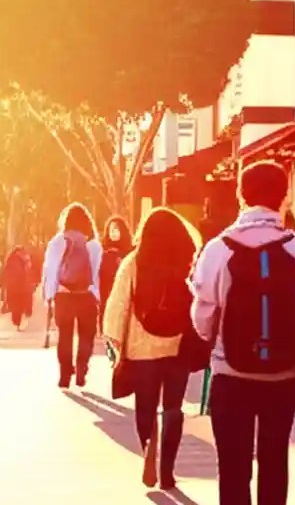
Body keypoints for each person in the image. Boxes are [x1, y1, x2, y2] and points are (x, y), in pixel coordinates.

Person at [190, 161, 295, 505]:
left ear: (241, 196)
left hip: (231, 373)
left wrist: (217, 343)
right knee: (273, 455)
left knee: (232, 465)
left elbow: (202, 310)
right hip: (283, 376)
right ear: (283, 196)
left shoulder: (218, 248)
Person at [103, 208, 210, 490]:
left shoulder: (133, 262)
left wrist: (114, 340)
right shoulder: (187, 259)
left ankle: (149, 444)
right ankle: (167, 471)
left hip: (143, 349)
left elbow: (118, 304)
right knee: (173, 407)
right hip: (178, 347)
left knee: (146, 405)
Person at [43, 204, 103, 388]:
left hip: (64, 295)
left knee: (65, 335)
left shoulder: (57, 242)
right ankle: (81, 368)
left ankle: (64, 374)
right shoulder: (93, 244)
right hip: (86, 295)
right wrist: (97, 296)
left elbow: (50, 270)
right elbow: (97, 273)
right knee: (87, 335)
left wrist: (49, 295)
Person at [98, 216, 134, 322]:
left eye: (116, 229)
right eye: (111, 230)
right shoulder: (104, 253)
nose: (113, 232)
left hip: (126, 299)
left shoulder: (130, 253)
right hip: (108, 298)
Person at [2, 245, 35, 331]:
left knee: (16, 307)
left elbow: (6, 274)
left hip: (15, 288)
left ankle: (17, 323)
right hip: (22, 288)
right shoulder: (23, 260)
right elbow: (27, 273)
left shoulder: (11, 260)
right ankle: (18, 323)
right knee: (20, 306)